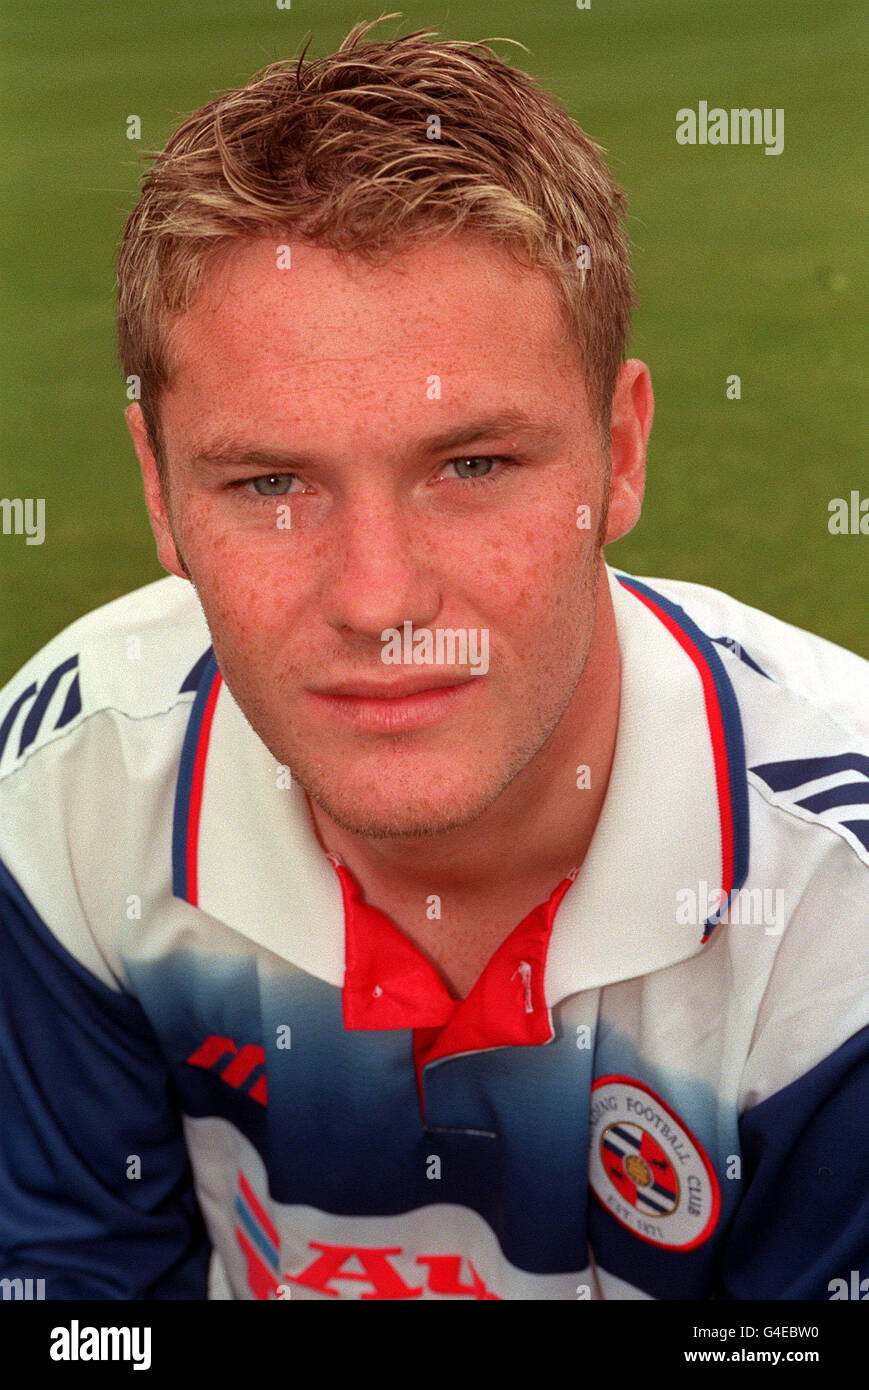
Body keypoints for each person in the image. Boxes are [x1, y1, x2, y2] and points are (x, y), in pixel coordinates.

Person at [0, 19, 866, 1302]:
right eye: (269, 481)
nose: (378, 597)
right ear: (161, 495)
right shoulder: (64, 784)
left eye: (472, 466)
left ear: (619, 453)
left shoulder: (837, 901)